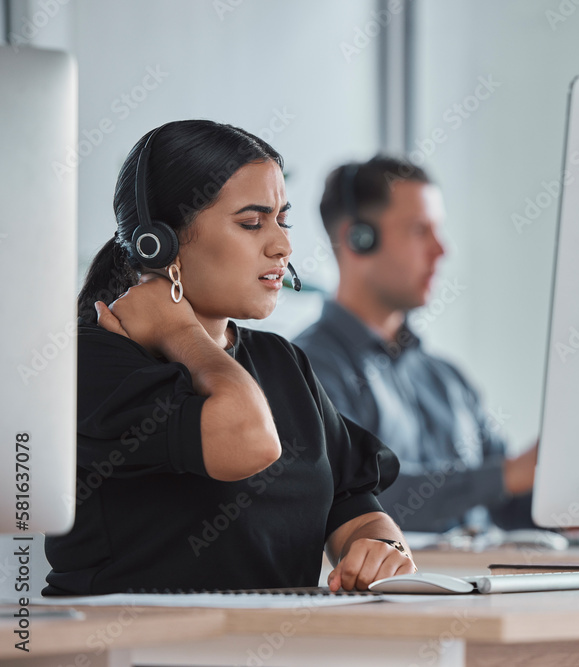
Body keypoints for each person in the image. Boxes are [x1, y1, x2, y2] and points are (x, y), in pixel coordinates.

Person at [44, 121, 415, 596]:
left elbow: (352, 498)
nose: (282, 246)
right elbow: (246, 439)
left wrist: (379, 546)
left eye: (283, 219)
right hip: (130, 651)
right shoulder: (92, 363)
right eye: (251, 222)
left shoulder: (281, 362)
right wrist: (180, 330)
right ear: (159, 241)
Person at [294, 156, 537, 533]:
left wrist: (567, 506)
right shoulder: (305, 369)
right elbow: (353, 500)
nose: (442, 250)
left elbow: (506, 500)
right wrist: (504, 477)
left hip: (480, 582)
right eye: (420, 230)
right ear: (358, 238)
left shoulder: (447, 379)